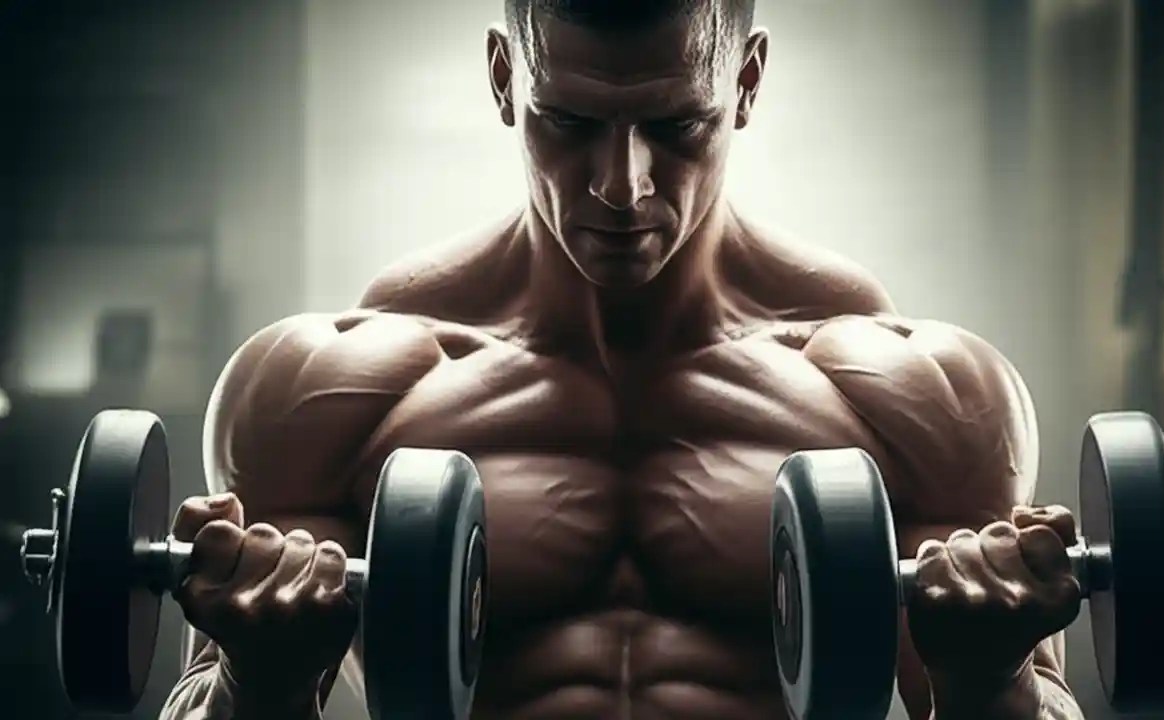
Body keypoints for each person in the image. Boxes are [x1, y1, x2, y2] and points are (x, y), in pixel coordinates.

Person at [160, 1, 1086, 718]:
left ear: (748, 82)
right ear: (500, 77)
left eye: (678, 126)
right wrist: (257, 678)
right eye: (564, 121)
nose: (619, 186)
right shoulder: (322, 391)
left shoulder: (919, 392)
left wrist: (987, 678)